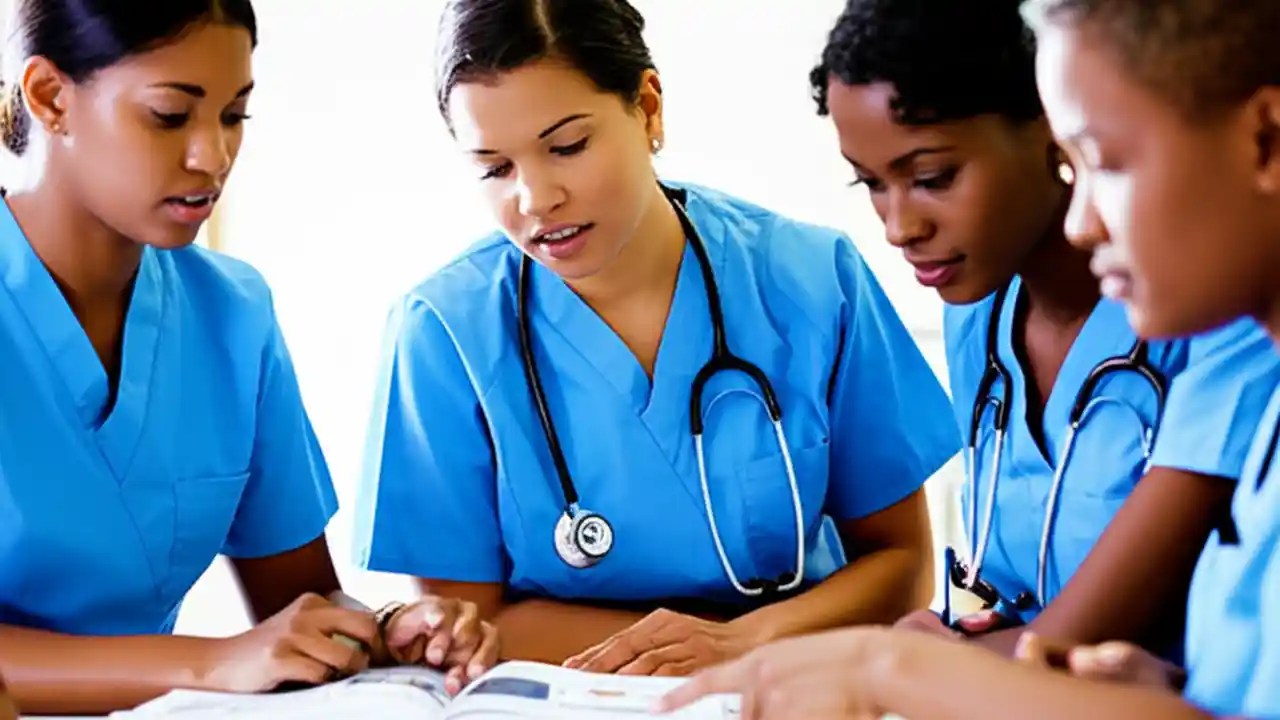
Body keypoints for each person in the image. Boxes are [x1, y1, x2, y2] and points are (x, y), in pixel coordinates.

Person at [658, 0, 1280, 717]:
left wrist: (896, 665)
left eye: (1101, 160)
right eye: (871, 184)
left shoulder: (1226, 338)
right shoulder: (980, 312)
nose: (899, 228)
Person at [353, 0, 959, 676]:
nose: (535, 197)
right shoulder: (444, 331)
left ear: (648, 108)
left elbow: (903, 567)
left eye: (567, 146)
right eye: (494, 168)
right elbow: (467, 621)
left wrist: (743, 644)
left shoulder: (813, 280)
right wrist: (686, 648)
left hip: (791, 685)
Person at [0, 1, 497, 715]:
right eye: (171, 116)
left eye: (234, 116)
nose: (213, 155)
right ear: (50, 97)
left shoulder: (232, 314)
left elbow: (299, 603)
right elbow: (229, 661)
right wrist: (208, 662)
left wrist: (386, 632)